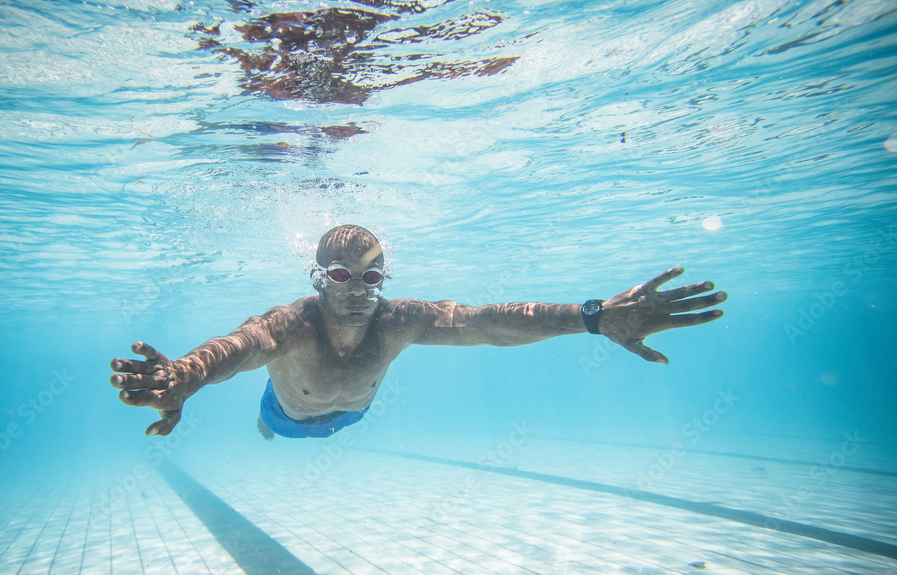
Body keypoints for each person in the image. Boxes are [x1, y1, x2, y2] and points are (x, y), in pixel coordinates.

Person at [110, 225, 727, 439]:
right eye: (342, 274)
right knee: (270, 427)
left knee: (345, 417)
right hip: (285, 416)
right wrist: (184, 377)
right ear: (319, 277)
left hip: (352, 415)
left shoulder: (398, 318)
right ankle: (264, 431)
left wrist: (594, 316)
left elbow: (486, 323)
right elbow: (238, 350)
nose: (357, 287)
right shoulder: (290, 323)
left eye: (371, 275)